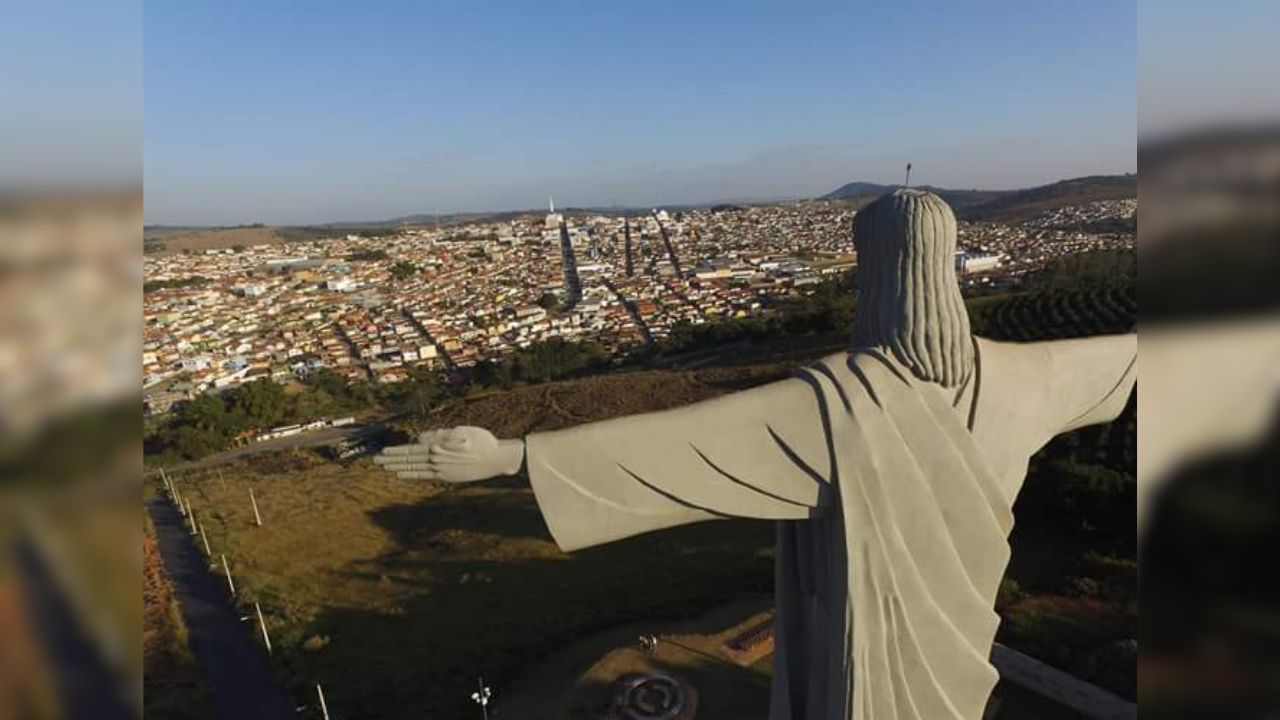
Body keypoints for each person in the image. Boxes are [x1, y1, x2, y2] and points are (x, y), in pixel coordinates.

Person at [376, 190, 1136, 720]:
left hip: (869, 661)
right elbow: (1127, 362)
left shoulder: (841, 404)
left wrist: (514, 456)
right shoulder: (1031, 376)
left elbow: (678, 451)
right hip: (964, 647)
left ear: (873, 277)